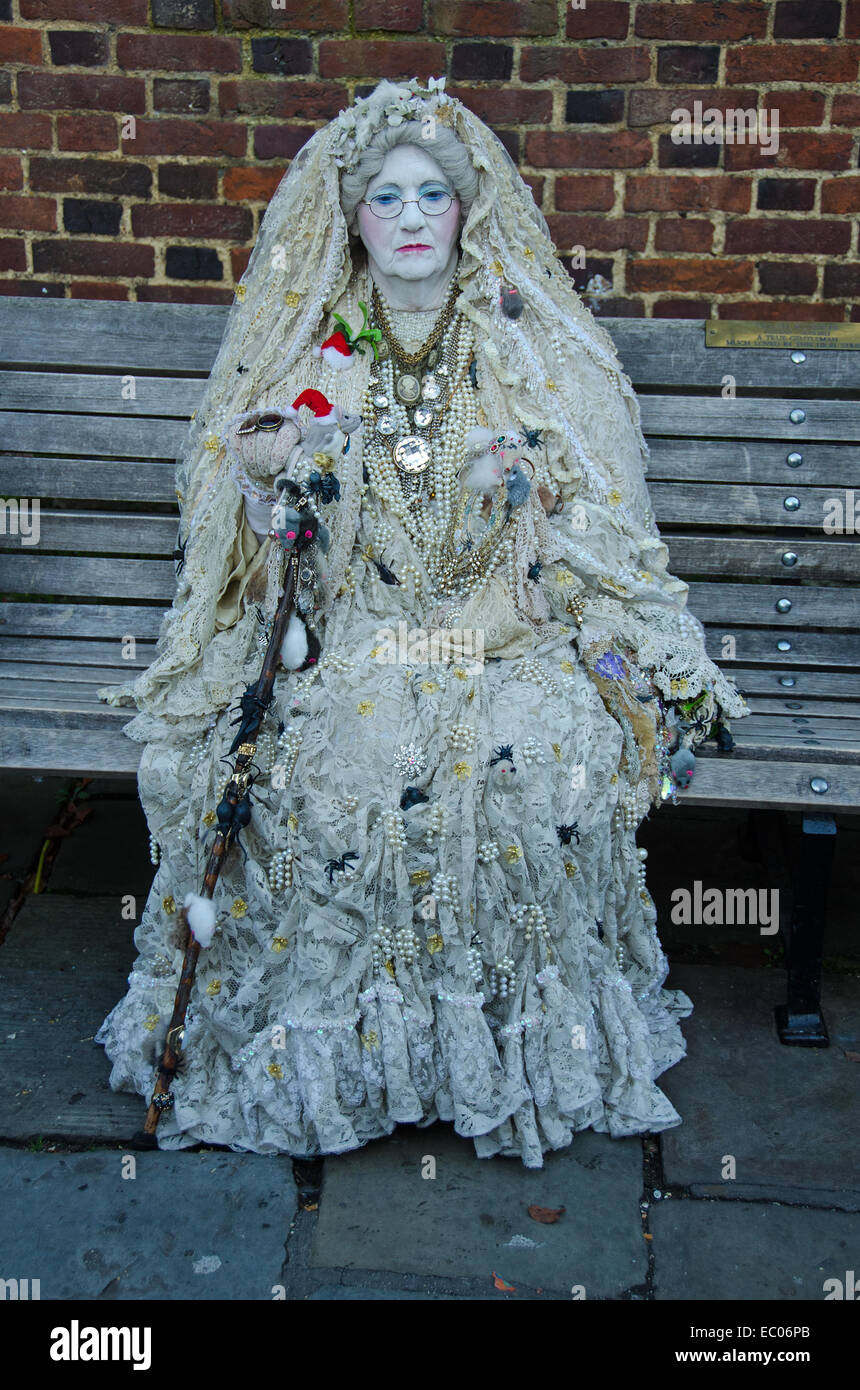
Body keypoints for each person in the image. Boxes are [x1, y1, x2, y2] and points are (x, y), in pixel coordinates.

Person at [96, 77, 748, 1169]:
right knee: (329, 764)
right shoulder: (316, 352)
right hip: (353, 631)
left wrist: (521, 489)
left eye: (431, 195)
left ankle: (487, 1049)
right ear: (351, 218)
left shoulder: (519, 340)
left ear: (465, 208)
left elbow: (590, 512)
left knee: (529, 757)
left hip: (499, 630)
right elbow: (247, 531)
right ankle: (347, 1045)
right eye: (386, 198)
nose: (409, 218)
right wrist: (274, 480)